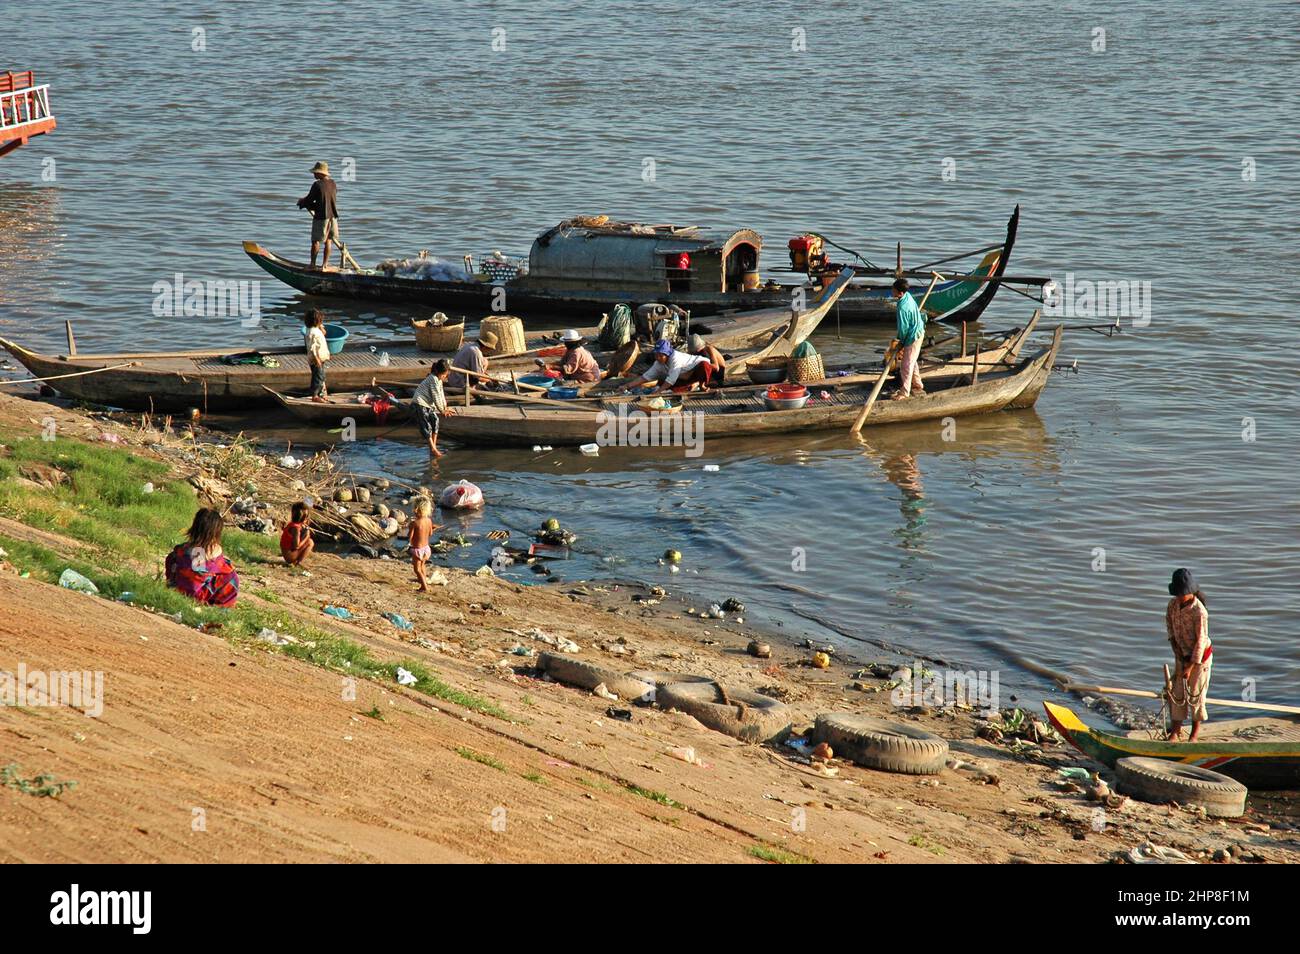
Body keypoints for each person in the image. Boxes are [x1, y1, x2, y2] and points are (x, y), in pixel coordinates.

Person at [1165, 568, 1212, 742]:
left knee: (1196, 695)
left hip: (1200, 659)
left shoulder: (1199, 612)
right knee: (1177, 693)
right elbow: (1170, 627)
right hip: (1181, 654)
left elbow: (1201, 641)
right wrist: (1176, 649)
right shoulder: (1172, 605)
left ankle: (1194, 734)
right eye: (1177, 594)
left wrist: (1191, 666)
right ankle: (1175, 732)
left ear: (1190, 592)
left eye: (1182, 594)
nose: (1179, 597)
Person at [165, 508, 240, 607]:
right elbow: (196, 581)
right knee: (230, 576)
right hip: (200, 600)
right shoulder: (203, 557)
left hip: (176, 593)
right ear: (217, 533)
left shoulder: (177, 556)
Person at [621, 339, 713, 393]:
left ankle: (702, 385)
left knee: (704, 365)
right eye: (656, 355)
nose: (658, 358)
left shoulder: (675, 358)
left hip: (697, 368)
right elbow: (645, 377)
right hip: (684, 376)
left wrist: (657, 393)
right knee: (673, 389)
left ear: (667, 354)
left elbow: (670, 380)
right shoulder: (658, 364)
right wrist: (627, 385)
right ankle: (691, 384)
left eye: (661, 355)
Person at [296, 160, 340, 268]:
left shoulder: (317, 185)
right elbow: (325, 200)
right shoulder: (333, 183)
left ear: (321, 173)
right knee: (328, 241)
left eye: (315, 172)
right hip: (333, 217)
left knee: (316, 241)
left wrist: (301, 202)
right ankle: (325, 265)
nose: (314, 174)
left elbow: (310, 200)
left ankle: (312, 265)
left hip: (321, 217)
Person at [889, 277, 926, 399]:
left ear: (900, 292)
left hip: (913, 336)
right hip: (919, 330)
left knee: (906, 365)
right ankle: (918, 384)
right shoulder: (907, 295)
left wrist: (901, 343)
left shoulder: (902, 308)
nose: (891, 291)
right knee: (911, 360)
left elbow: (903, 329)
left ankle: (904, 392)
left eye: (893, 290)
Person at [412, 359, 455, 458]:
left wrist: (445, 407)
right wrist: (442, 410)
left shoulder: (438, 380)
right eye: (445, 374)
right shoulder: (433, 379)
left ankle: (433, 447)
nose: (445, 376)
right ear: (440, 372)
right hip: (420, 402)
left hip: (428, 404)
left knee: (435, 420)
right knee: (427, 426)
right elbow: (436, 396)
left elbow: (441, 394)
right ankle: (432, 448)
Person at [408, 499, 440, 592]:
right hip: (426, 549)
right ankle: (424, 580)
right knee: (422, 566)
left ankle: (424, 587)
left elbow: (410, 537)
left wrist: (410, 527)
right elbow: (430, 533)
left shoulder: (415, 523)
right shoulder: (429, 521)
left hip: (417, 550)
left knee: (417, 569)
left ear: (416, 509)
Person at [305, 309, 330, 402]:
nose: (321, 322)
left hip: (320, 358)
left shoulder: (316, 329)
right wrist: (317, 360)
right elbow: (313, 348)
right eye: (320, 320)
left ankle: (321, 394)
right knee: (318, 377)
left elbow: (324, 333)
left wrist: (320, 326)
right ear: (316, 321)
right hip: (316, 359)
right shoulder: (312, 332)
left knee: (321, 376)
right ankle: (315, 396)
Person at [280, 501, 315, 566]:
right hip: (289, 556)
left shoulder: (292, 524)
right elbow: (296, 546)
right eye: (306, 516)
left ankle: (296, 560)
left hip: (288, 553)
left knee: (307, 540)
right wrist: (307, 536)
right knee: (310, 542)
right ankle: (298, 562)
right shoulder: (296, 528)